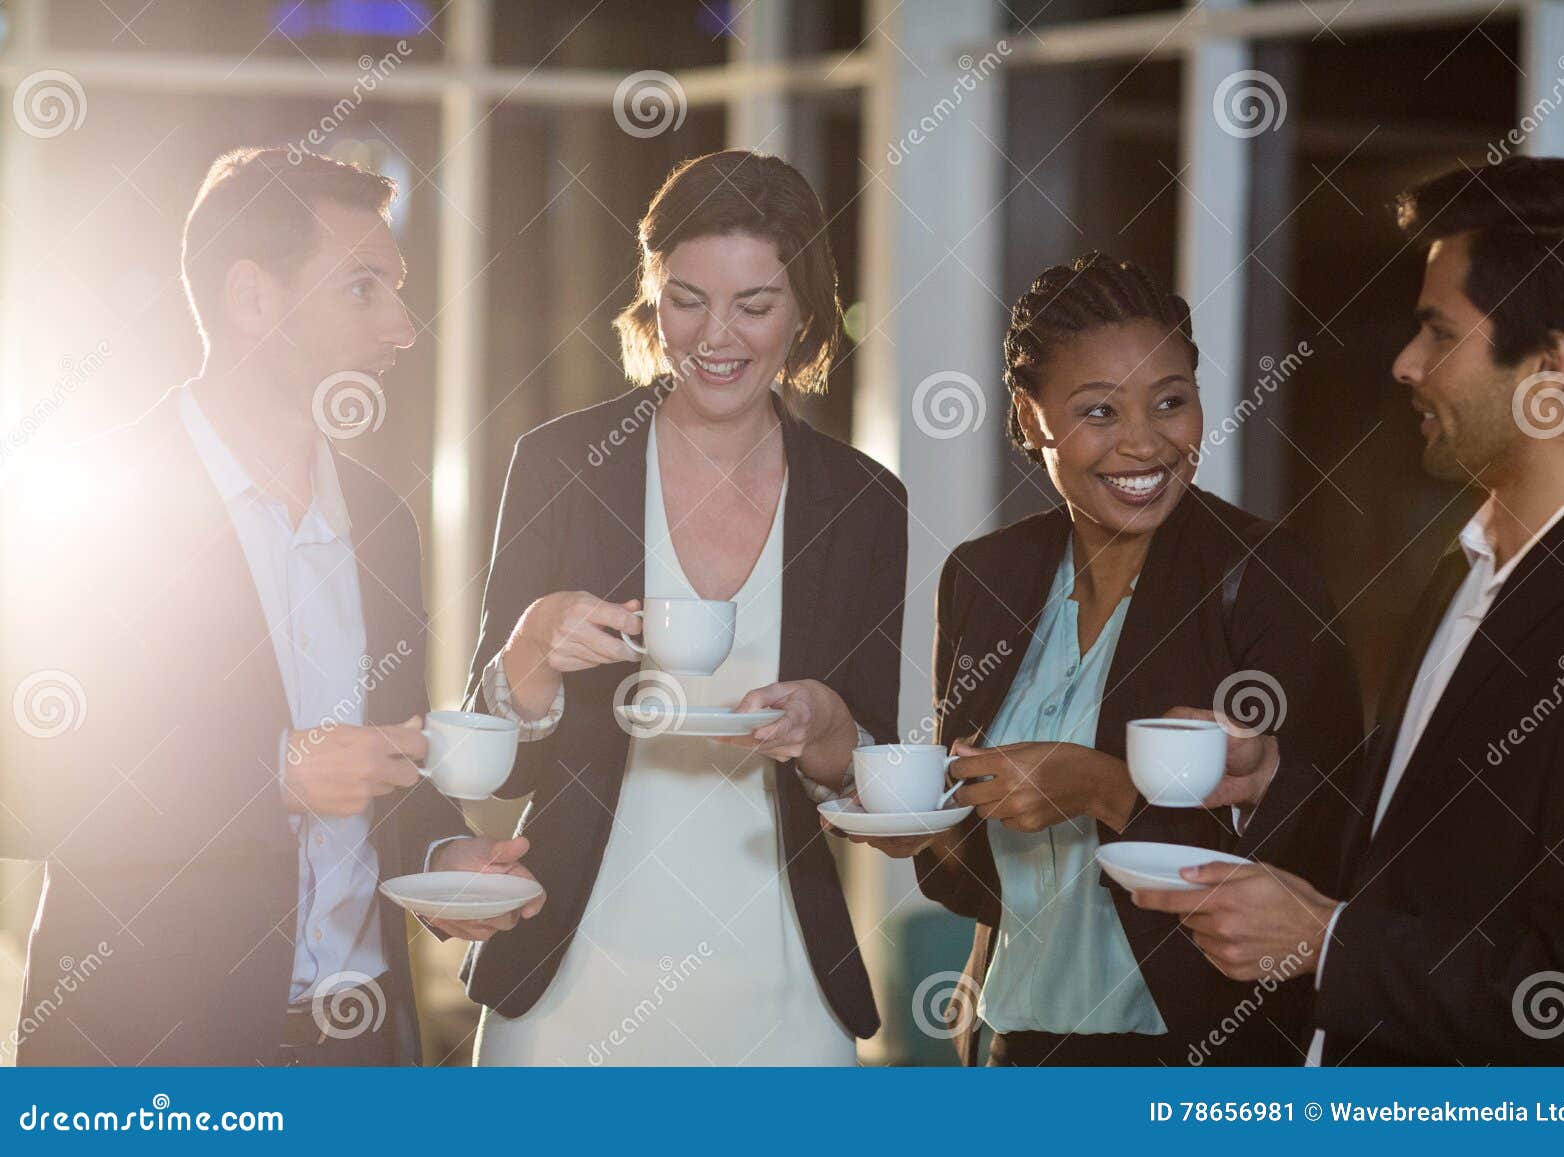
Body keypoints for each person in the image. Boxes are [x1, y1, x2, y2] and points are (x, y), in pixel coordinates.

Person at [0, 147, 538, 1067]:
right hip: (148, 1058)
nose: (404, 330)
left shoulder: (382, 522)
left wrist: (442, 855)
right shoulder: (86, 505)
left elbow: (379, 772)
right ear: (251, 299)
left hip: (362, 1053)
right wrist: (273, 773)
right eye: (363, 289)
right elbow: (25, 784)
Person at [834, 254, 1364, 1066]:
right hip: (1014, 1046)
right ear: (1030, 414)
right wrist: (926, 827)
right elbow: (978, 884)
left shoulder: (1262, 576)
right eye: (1099, 411)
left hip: (1193, 1055)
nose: (1145, 441)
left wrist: (1102, 787)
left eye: (1171, 402)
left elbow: (1318, 850)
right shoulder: (986, 576)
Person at [1133, 157, 1564, 1065]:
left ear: (1549, 365)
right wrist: (1274, 778)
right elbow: (1429, 842)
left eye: (1438, 332)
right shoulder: (1467, 566)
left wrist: (1326, 943)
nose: (1405, 363)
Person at [459, 150, 908, 1066]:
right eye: (687, 298)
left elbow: (870, 783)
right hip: (568, 983)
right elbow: (487, 776)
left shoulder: (864, 500)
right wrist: (535, 645)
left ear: (805, 311)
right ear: (651, 297)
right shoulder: (560, 465)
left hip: (782, 988)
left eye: (756, 305)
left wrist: (828, 725)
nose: (717, 335)